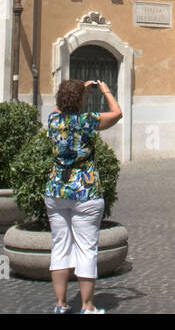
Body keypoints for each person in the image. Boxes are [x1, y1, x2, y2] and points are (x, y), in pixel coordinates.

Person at [45, 77, 122, 313]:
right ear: (80, 102)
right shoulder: (87, 121)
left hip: (56, 190)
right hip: (85, 191)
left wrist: (77, 91)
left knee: (60, 247)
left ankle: (60, 304)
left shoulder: (54, 119)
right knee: (86, 249)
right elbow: (117, 113)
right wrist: (105, 91)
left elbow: (62, 107)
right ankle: (87, 306)